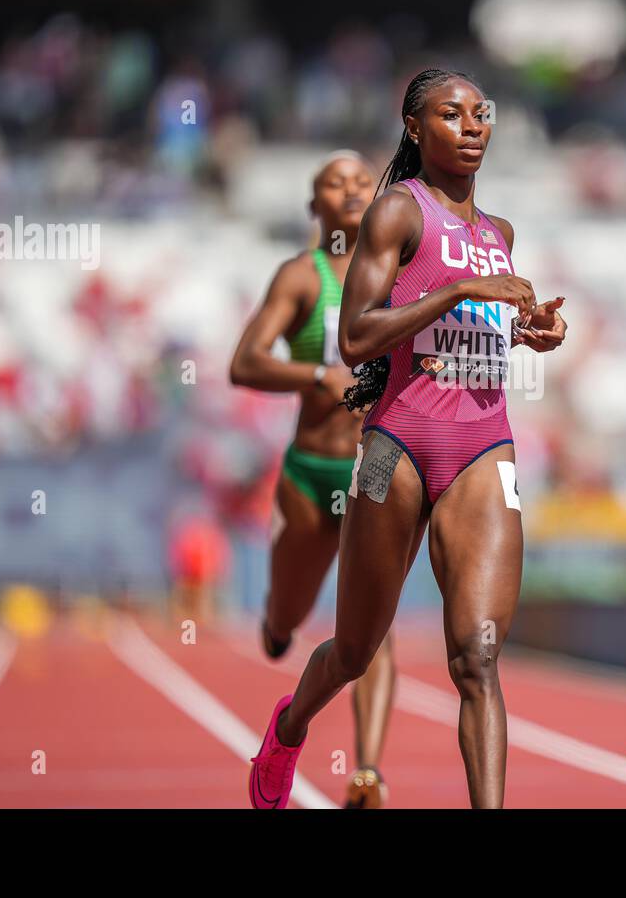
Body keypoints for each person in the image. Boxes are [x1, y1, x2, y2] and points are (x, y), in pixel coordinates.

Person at [247, 68, 566, 809]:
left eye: (480, 114)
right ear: (416, 128)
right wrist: (456, 291)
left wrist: (529, 331)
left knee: (477, 658)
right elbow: (356, 338)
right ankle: (289, 728)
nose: (472, 126)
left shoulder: (500, 234)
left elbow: (477, 334)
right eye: (451, 115)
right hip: (398, 443)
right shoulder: (396, 211)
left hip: (485, 444)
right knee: (355, 650)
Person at [230, 151, 394, 808]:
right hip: (310, 468)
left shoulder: (401, 275)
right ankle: (276, 621)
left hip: (377, 460)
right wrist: (315, 376)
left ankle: (369, 771)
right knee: (287, 620)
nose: (352, 190)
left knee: (369, 625)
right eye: (336, 183)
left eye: (363, 181)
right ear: (315, 207)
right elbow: (245, 362)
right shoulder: (303, 276)